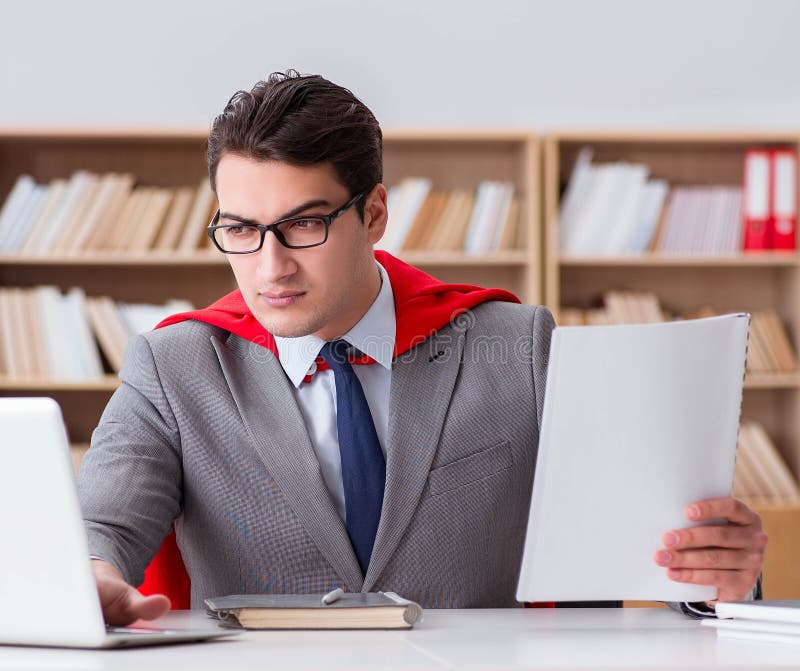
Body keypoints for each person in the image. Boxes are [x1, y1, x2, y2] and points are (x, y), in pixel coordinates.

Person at [76, 71, 767, 626]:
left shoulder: (517, 347)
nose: (269, 266)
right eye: (241, 229)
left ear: (374, 212)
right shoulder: (175, 368)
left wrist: (717, 575)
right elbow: (97, 527)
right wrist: (91, 580)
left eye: (303, 225)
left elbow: (653, 548)